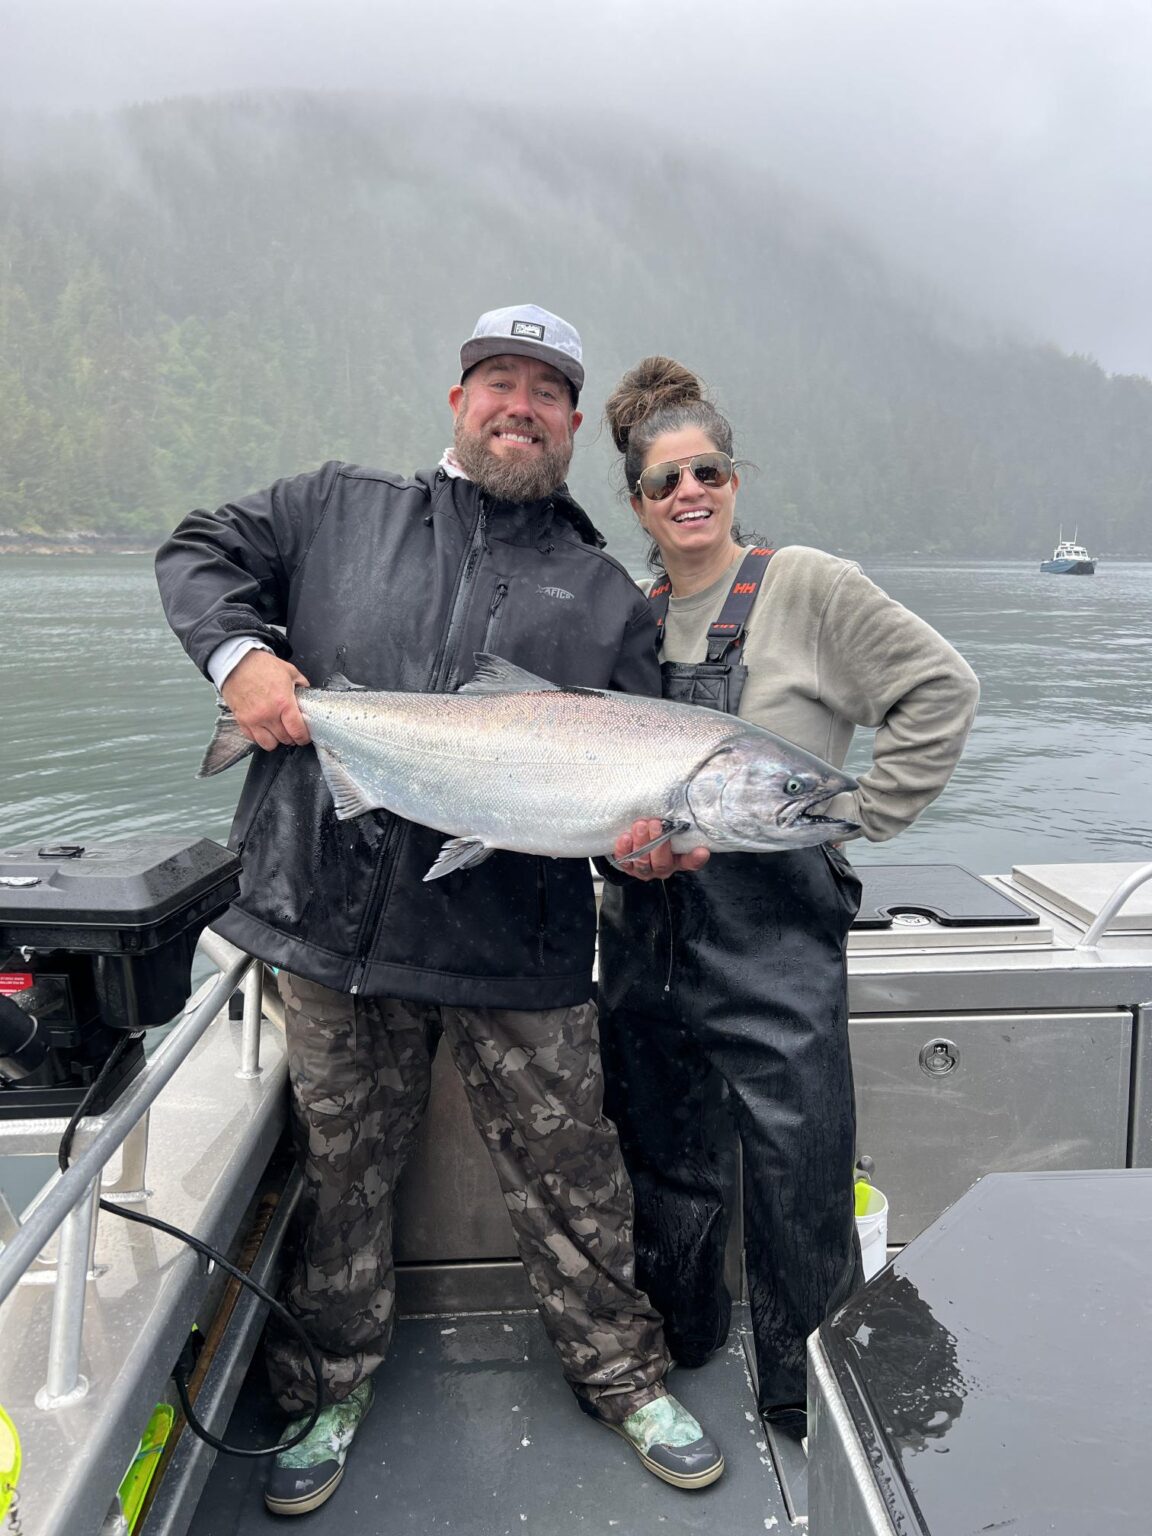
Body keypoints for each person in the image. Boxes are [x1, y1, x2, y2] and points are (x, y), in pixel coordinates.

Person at [155, 309, 723, 1516]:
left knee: (577, 1172)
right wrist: (239, 661)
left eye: (546, 391)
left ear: (574, 423)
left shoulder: (604, 595)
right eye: (498, 382)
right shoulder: (335, 509)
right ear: (459, 401)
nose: (520, 406)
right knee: (344, 1180)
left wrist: (647, 856)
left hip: (519, 947)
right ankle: (331, 1386)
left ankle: (623, 1378)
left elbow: (627, 802)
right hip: (331, 924)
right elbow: (198, 552)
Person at [597, 356, 980, 1440]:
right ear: (638, 503)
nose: (690, 493)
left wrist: (861, 813)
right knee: (663, 1159)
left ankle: (806, 1392)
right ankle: (683, 1340)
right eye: (665, 481)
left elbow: (941, 688)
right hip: (646, 939)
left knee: (799, 1173)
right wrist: (621, 857)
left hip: (776, 939)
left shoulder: (805, 585)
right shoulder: (630, 619)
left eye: (708, 472)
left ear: (733, 478)